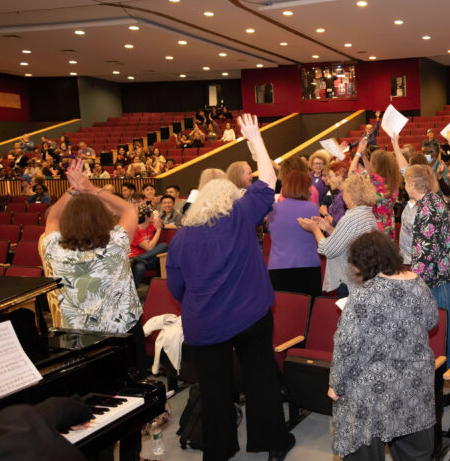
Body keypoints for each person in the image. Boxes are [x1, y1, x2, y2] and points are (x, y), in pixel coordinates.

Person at [166, 114, 295, 461]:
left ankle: (219, 450)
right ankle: (272, 443)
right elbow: (268, 178)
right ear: (230, 198)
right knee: (261, 379)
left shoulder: (180, 240)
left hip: (206, 324)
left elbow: (177, 288)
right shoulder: (239, 216)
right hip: (250, 316)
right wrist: (256, 141)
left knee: (214, 389)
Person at [329, 231, 437, 461]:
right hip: (415, 384)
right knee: (414, 454)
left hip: (373, 390)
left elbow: (346, 348)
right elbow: (432, 321)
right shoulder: (419, 283)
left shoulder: (362, 296)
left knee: (355, 420)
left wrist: (335, 385)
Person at [40, 159, 145, 364]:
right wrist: (90, 188)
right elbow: (129, 211)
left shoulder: (53, 249)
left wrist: (72, 190)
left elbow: (52, 216)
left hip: (78, 341)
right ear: (103, 218)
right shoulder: (116, 244)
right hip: (123, 336)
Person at [406, 164, 450, 366]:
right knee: (447, 321)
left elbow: (425, 252)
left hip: (435, 277)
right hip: (444, 272)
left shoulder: (427, 208)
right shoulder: (434, 199)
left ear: (414, 184)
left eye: (406, 182)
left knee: (444, 325)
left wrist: (413, 282)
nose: (404, 185)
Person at [297, 174, 379, 297]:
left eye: (345, 192)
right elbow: (349, 239)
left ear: (352, 196)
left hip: (350, 280)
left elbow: (328, 250)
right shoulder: (367, 214)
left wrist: (315, 230)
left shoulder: (350, 218)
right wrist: (329, 228)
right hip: (362, 275)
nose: (343, 195)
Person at [265, 171, 322, 299]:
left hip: (278, 267)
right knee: (307, 312)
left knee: (284, 312)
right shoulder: (312, 208)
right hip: (308, 266)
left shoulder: (272, 209)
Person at [349, 138, 401, 238]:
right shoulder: (393, 180)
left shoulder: (373, 179)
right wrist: (364, 157)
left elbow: (351, 174)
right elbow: (372, 172)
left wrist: (358, 153)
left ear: (375, 164)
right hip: (387, 226)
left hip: (374, 228)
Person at [129, 204, 168, 287]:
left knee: (164, 248)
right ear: (147, 216)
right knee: (140, 268)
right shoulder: (135, 231)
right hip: (139, 258)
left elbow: (164, 225)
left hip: (145, 259)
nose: (153, 215)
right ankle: (132, 293)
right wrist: (158, 231)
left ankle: (136, 260)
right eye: (152, 213)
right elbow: (149, 247)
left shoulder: (150, 226)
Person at [320, 160, 349, 225]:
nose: (328, 180)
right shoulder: (341, 193)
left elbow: (338, 224)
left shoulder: (342, 197)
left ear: (339, 177)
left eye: (330, 176)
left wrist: (325, 213)